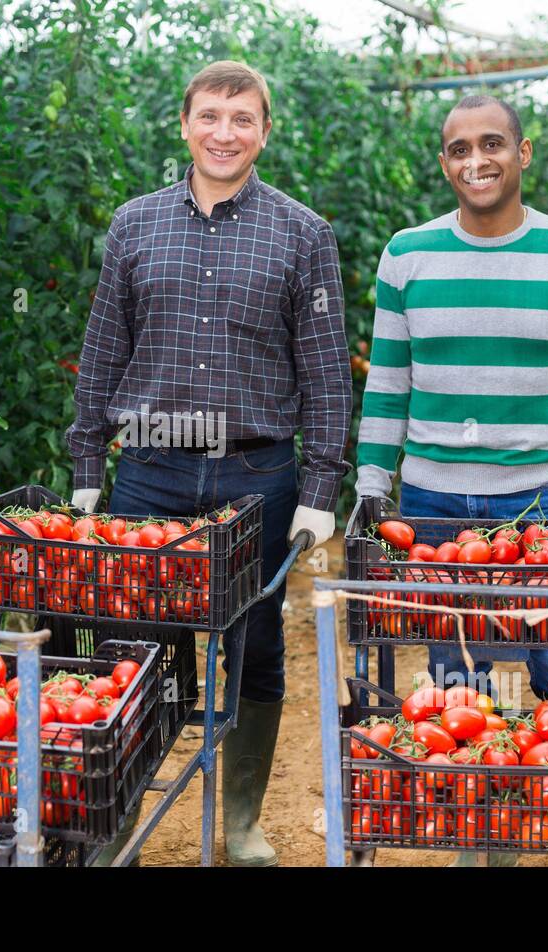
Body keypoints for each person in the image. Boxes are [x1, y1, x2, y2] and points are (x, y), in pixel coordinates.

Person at [66, 60, 352, 866]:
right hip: (150, 470)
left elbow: (326, 371)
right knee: (137, 644)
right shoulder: (135, 224)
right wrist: (90, 463)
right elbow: (102, 353)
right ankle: (122, 811)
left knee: (256, 643)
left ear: (265, 131)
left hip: (255, 475)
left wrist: (321, 485)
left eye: (243, 118)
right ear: (185, 124)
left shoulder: (303, 234)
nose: (225, 132)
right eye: (211, 116)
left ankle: (241, 820)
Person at [354, 95, 548, 865]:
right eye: (457, 149)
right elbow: (388, 382)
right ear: (443, 162)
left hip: (540, 500)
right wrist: (371, 482)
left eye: (491, 145)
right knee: (459, 683)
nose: (474, 161)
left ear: (524, 152)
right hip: (433, 506)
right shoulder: (407, 255)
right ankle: (489, 838)